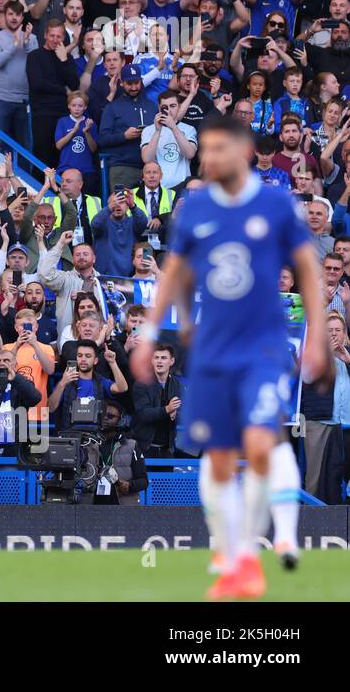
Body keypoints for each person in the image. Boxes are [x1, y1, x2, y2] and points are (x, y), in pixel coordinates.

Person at [132, 114, 327, 599]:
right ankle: (231, 555)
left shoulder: (277, 204)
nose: (209, 157)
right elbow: (174, 272)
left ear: (242, 153)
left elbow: (308, 271)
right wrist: (150, 332)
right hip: (213, 351)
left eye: (218, 149)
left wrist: (318, 335)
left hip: (261, 345)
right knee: (217, 459)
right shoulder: (195, 208)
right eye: (207, 151)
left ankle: (254, 552)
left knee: (261, 444)